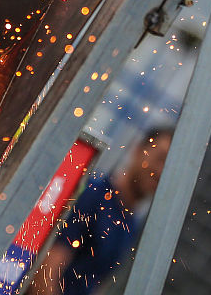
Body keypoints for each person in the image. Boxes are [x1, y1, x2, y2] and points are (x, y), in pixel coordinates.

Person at [27, 126, 175, 295]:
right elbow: (43, 273)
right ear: (138, 150)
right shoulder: (92, 195)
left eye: (170, 170)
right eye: (160, 159)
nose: (161, 172)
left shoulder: (130, 225)